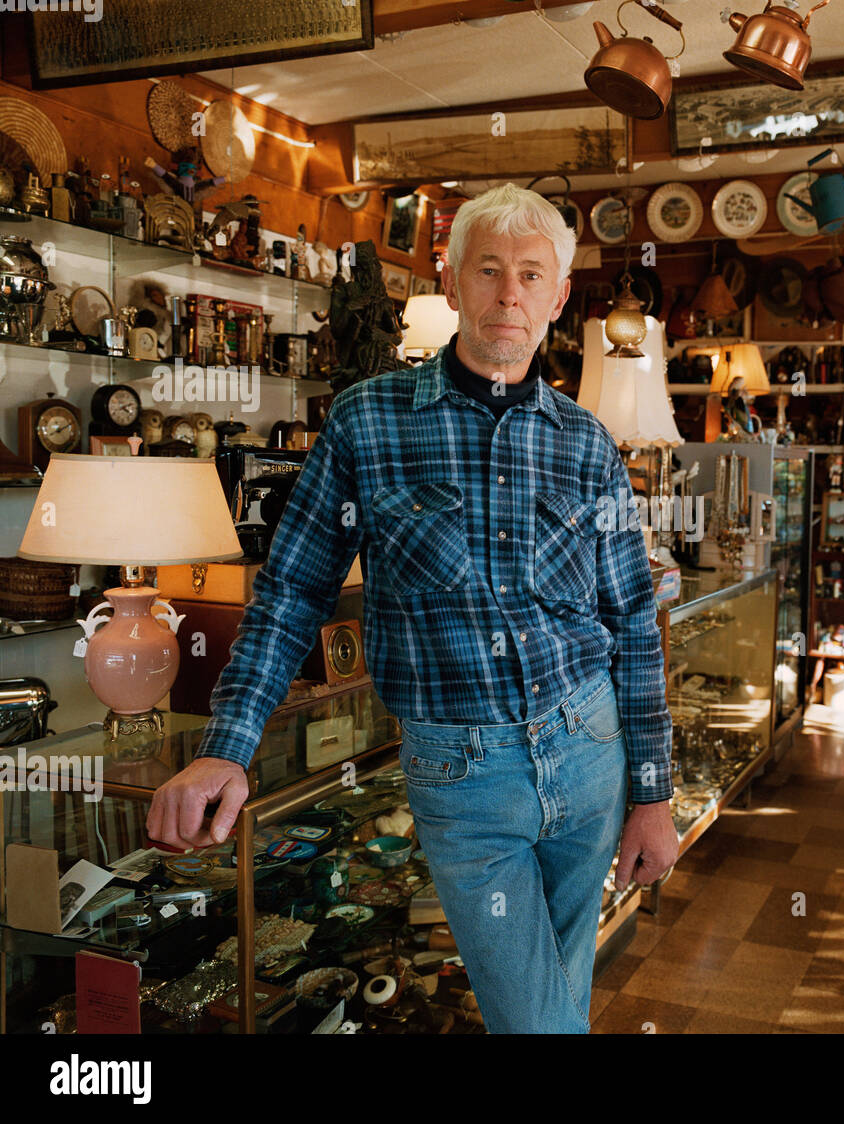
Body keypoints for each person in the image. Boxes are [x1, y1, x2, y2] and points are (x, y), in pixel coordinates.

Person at [145, 184, 678, 1033]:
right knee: (534, 1019)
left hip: (591, 754)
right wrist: (228, 749)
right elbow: (290, 594)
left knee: (559, 997)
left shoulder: (587, 445)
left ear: (558, 298)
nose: (510, 294)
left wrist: (653, 795)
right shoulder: (368, 422)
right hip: (464, 778)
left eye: (532, 275)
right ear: (454, 282)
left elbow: (631, 627)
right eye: (490, 270)